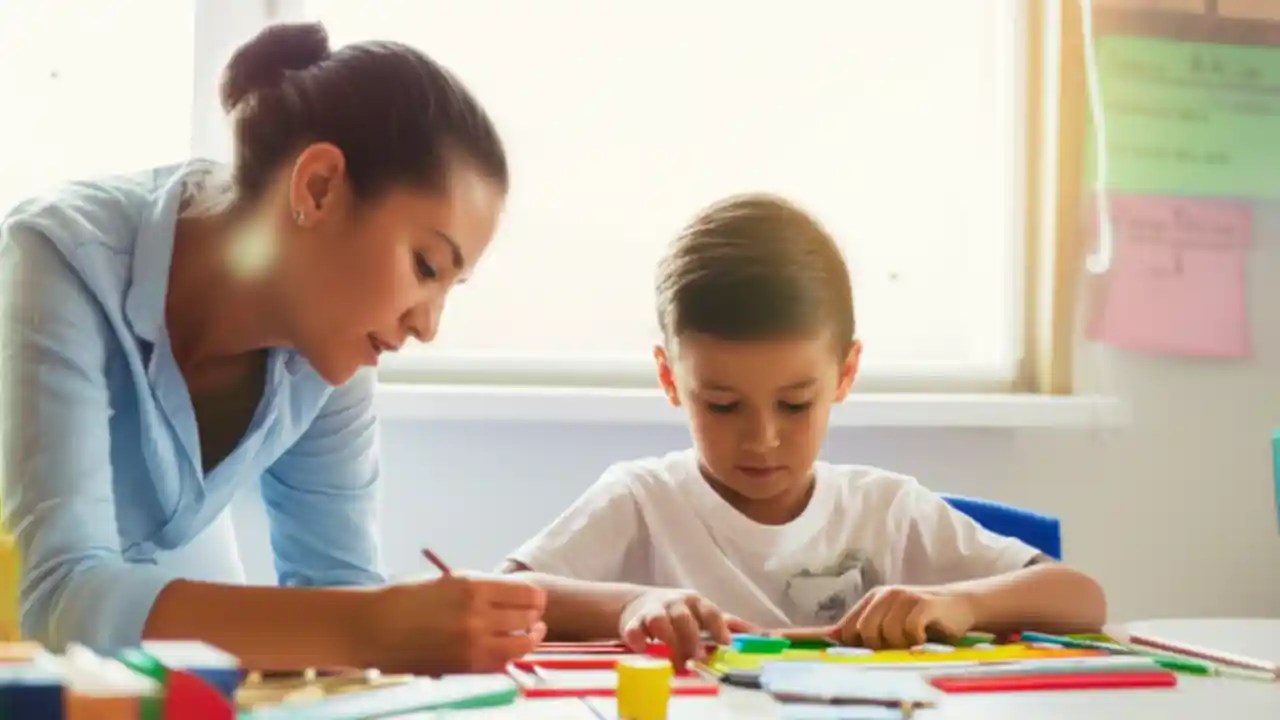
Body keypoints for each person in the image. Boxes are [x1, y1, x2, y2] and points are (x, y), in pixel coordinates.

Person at [0, 22, 545, 674]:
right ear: (319, 187)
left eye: (450, 287)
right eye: (426, 267)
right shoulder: (58, 259)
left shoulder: (330, 350)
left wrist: (391, 627)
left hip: (142, 646)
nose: (427, 327)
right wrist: (373, 625)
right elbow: (57, 600)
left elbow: (339, 588)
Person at [502, 194, 1108, 667]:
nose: (762, 438)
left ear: (845, 374)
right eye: (722, 405)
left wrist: (960, 602)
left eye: (794, 405)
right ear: (670, 378)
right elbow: (503, 597)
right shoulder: (643, 502)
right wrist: (633, 603)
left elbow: (1081, 597)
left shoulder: (886, 511)